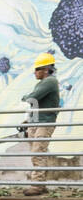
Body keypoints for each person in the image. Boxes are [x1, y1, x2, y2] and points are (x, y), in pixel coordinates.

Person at [22, 52, 61, 191]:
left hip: (45, 122)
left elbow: (32, 98)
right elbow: (35, 103)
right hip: (36, 122)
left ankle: (37, 185)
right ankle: (40, 184)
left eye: (37, 69)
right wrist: (28, 121)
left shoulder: (50, 81)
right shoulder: (43, 83)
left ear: (46, 69)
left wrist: (26, 96)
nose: (35, 72)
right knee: (36, 154)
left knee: (38, 152)